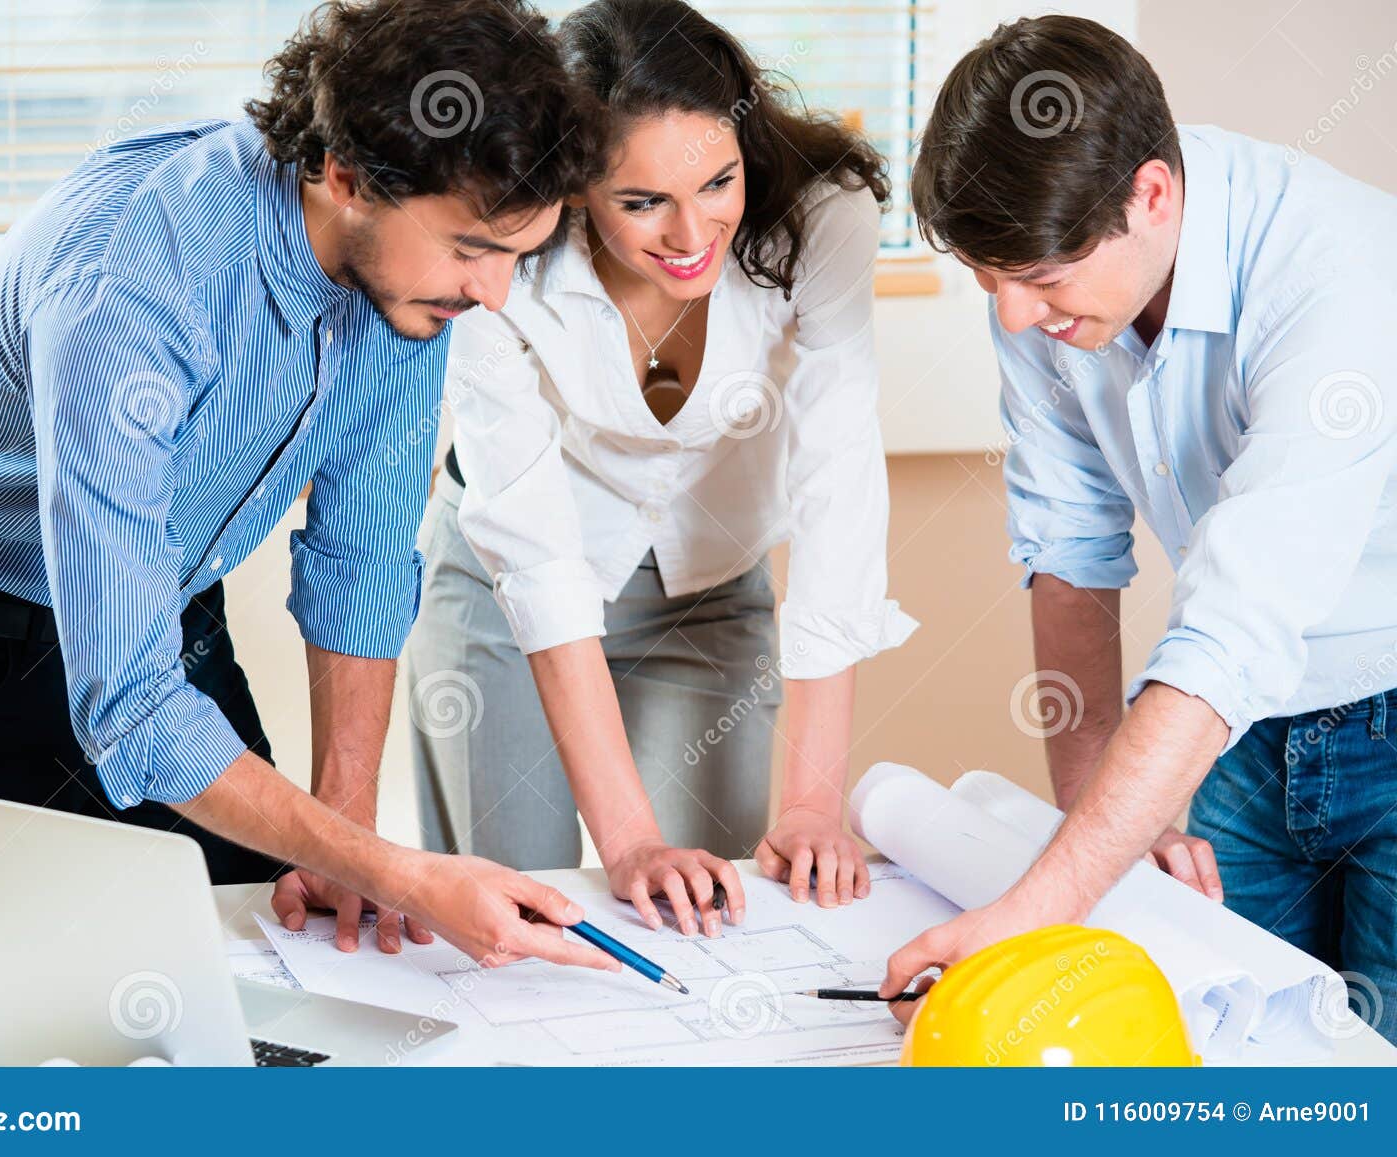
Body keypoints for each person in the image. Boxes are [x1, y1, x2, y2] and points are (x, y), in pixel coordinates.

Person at [0, 0, 622, 975]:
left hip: (165, 610)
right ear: (347, 175)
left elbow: (360, 559)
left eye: (518, 254)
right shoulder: (136, 279)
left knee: (267, 972)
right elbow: (129, 705)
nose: (494, 294)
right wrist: (408, 872)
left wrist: (347, 833)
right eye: (472, 249)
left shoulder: (407, 285)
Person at [883, 15, 1397, 1043]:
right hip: (1242, 731)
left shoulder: (1339, 275)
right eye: (993, 286)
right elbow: (1070, 555)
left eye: (1039, 279)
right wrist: (1104, 830)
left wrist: (1032, 910)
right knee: (1224, 1048)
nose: (1018, 319)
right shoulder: (1046, 284)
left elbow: (1234, 622)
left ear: (1149, 196)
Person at [406, 0, 917, 938]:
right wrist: (627, 836)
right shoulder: (500, 240)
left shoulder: (820, 213)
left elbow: (839, 486)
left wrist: (811, 801)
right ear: (571, 189)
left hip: (710, 588)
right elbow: (538, 558)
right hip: (506, 590)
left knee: (712, 912)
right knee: (519, 913)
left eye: (716, 183)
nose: (691, 235)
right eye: (642, 202)